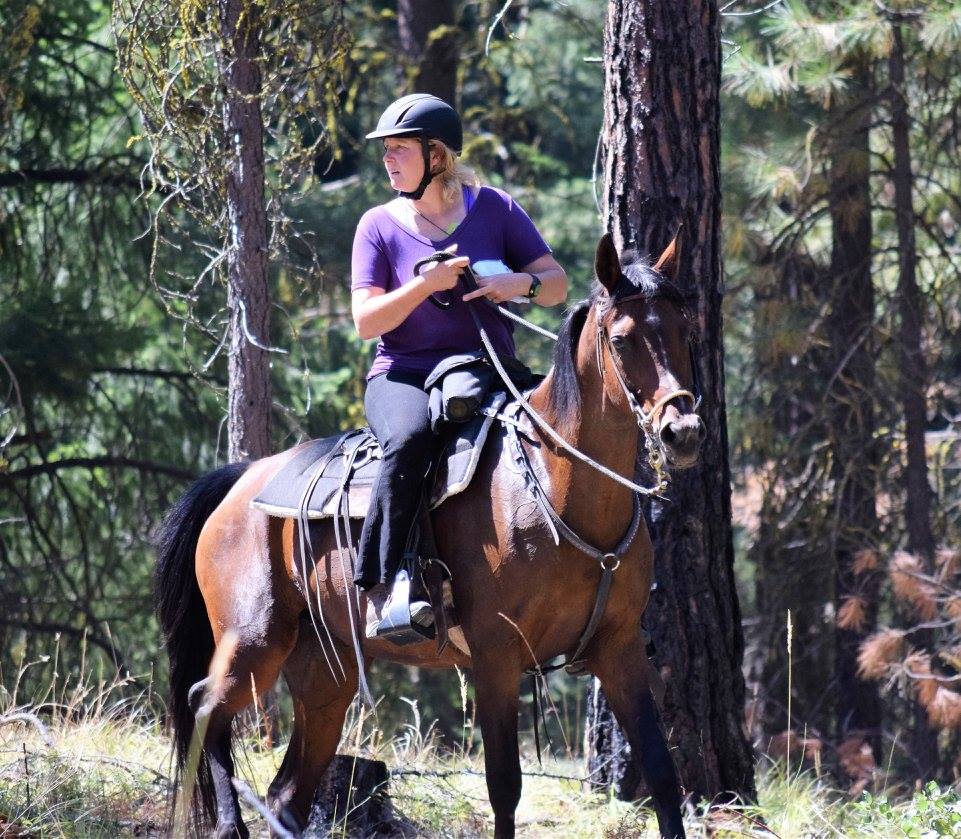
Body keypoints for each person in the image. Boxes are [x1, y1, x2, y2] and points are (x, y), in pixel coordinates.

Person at [350, 93, 567, 638]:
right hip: (403, 374)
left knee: (565, 429)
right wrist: (424, 285)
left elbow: (557, 284)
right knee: (409, 438)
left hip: (489, 369)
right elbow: (366, 321)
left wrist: (519, 283)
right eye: (386, 151)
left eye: (400, 149)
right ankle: (393, 585)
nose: (388, 160)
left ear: (438, 156)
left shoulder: (495, 207)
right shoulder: (377, 225)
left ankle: (591, 581)